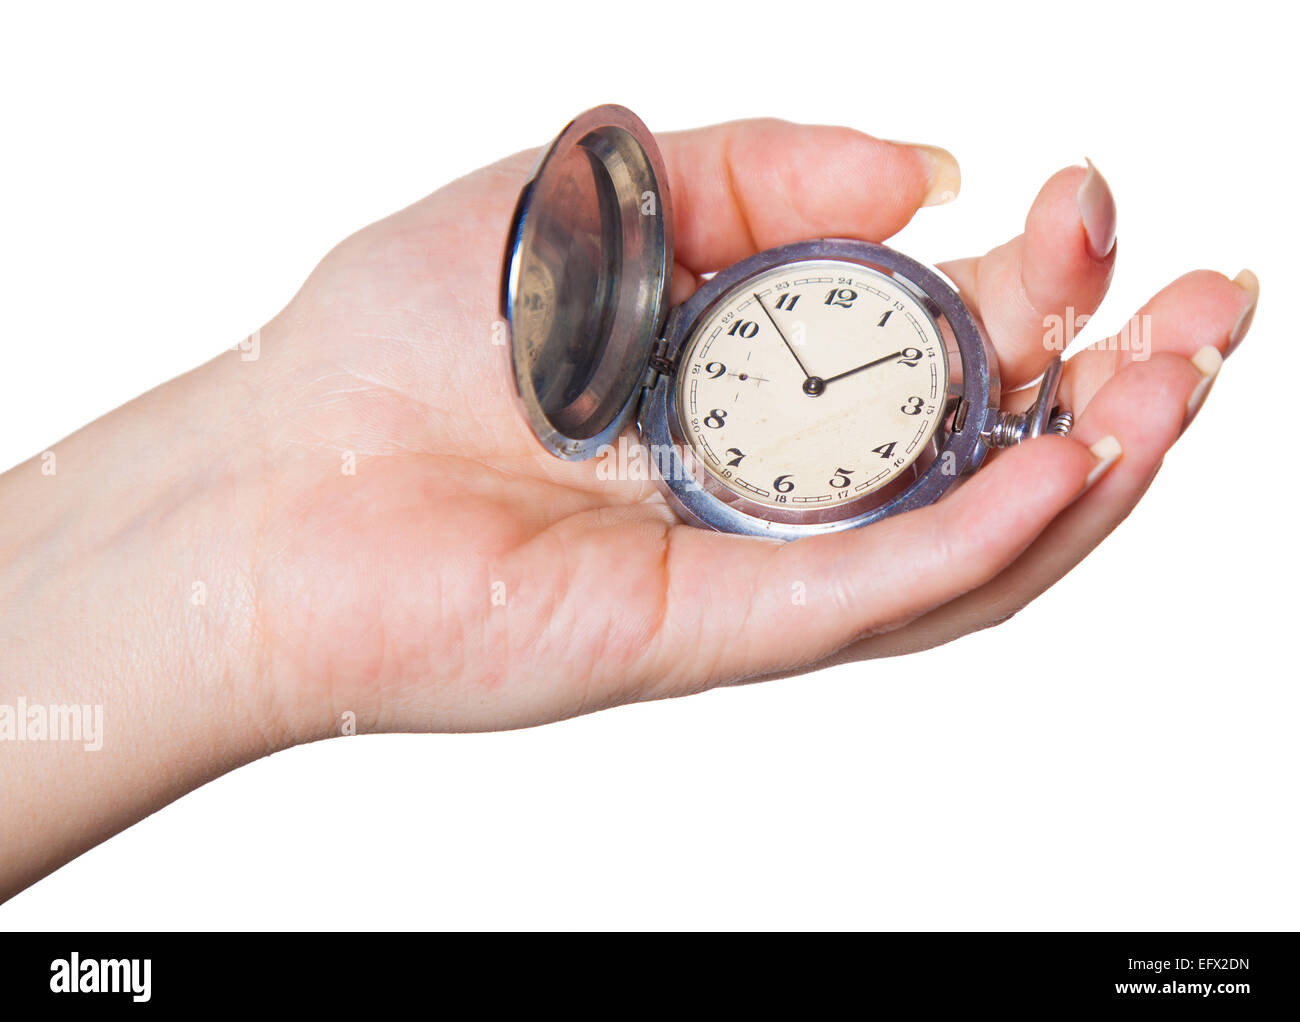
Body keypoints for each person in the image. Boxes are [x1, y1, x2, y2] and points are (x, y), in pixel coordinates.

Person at [0, 117, 1258, 901]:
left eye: (820, 366)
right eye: (782, 358)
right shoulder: (679, 378)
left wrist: (231, 517)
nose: (807, 378)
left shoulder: (871, 342)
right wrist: (271, 470)